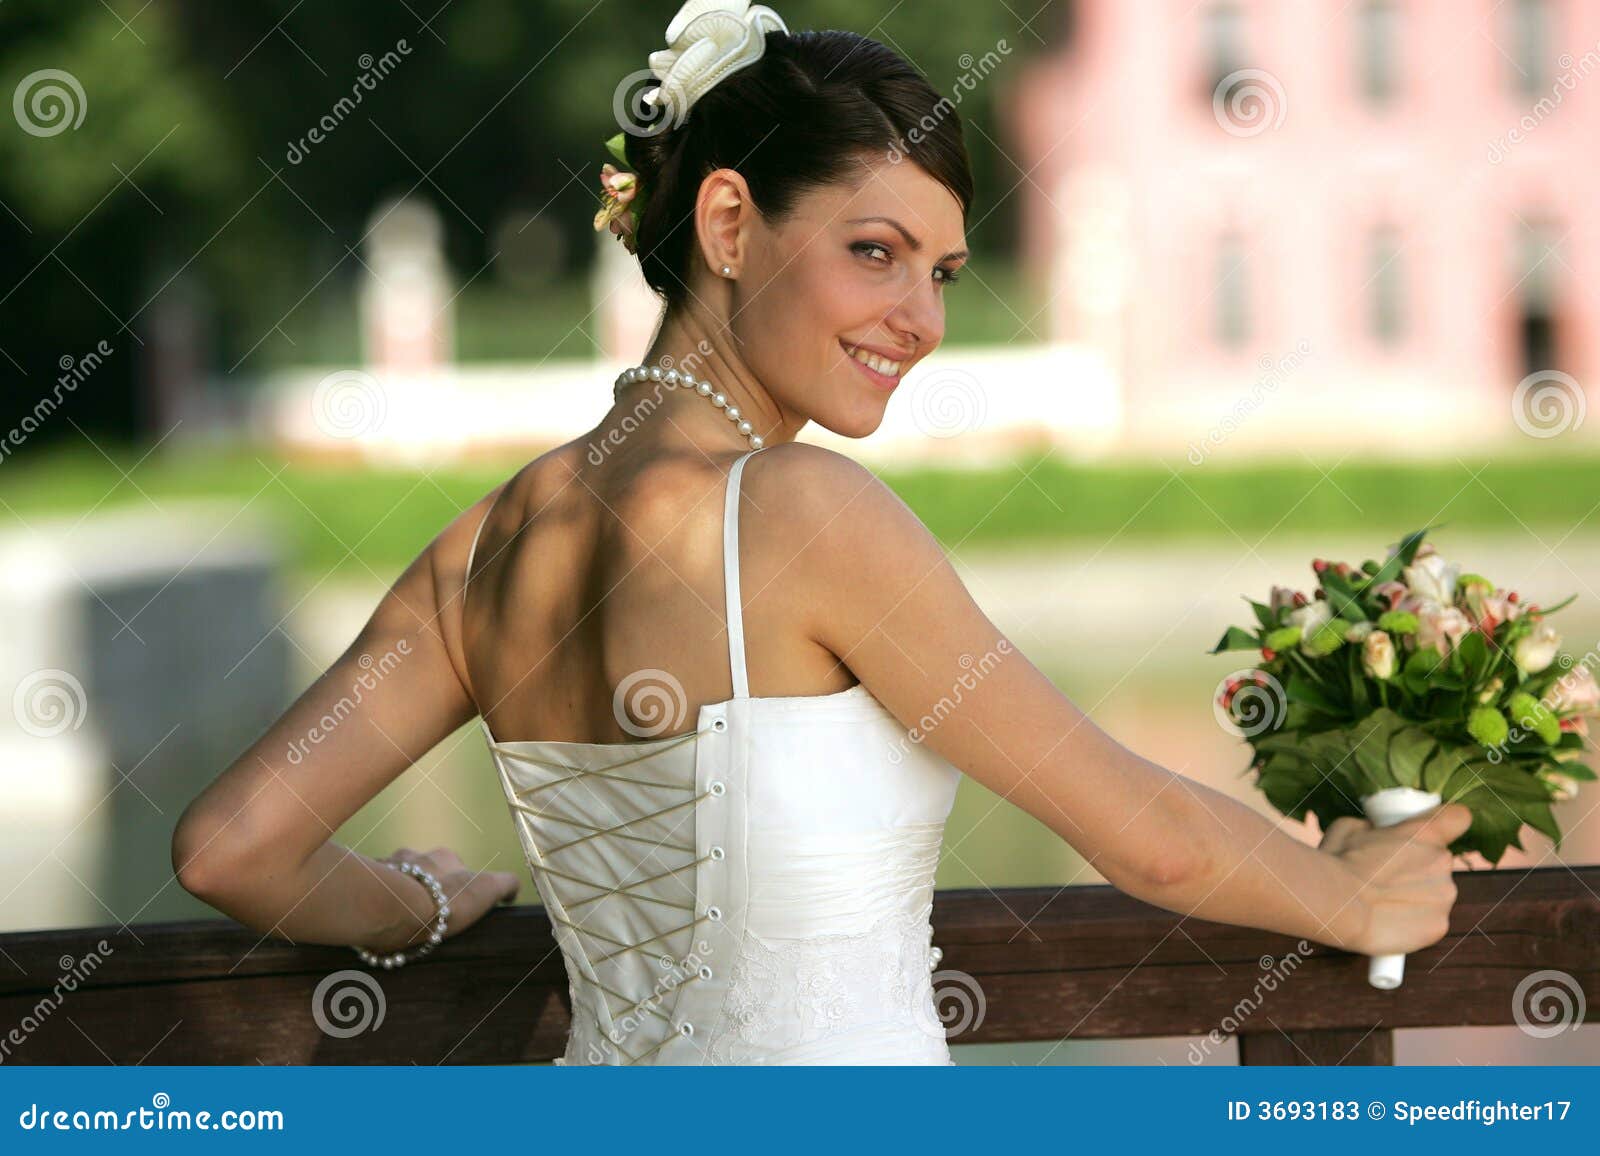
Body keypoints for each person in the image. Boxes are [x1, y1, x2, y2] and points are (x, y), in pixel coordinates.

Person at [172, 0, 1470, 1065]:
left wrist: (412, 905)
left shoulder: (486, 547)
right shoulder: (802, 512)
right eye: (874, 250)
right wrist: (1355, 895)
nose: (920, 316)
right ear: (729, 225)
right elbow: (1144, 833)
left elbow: (233, 847)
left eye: (943, 271)